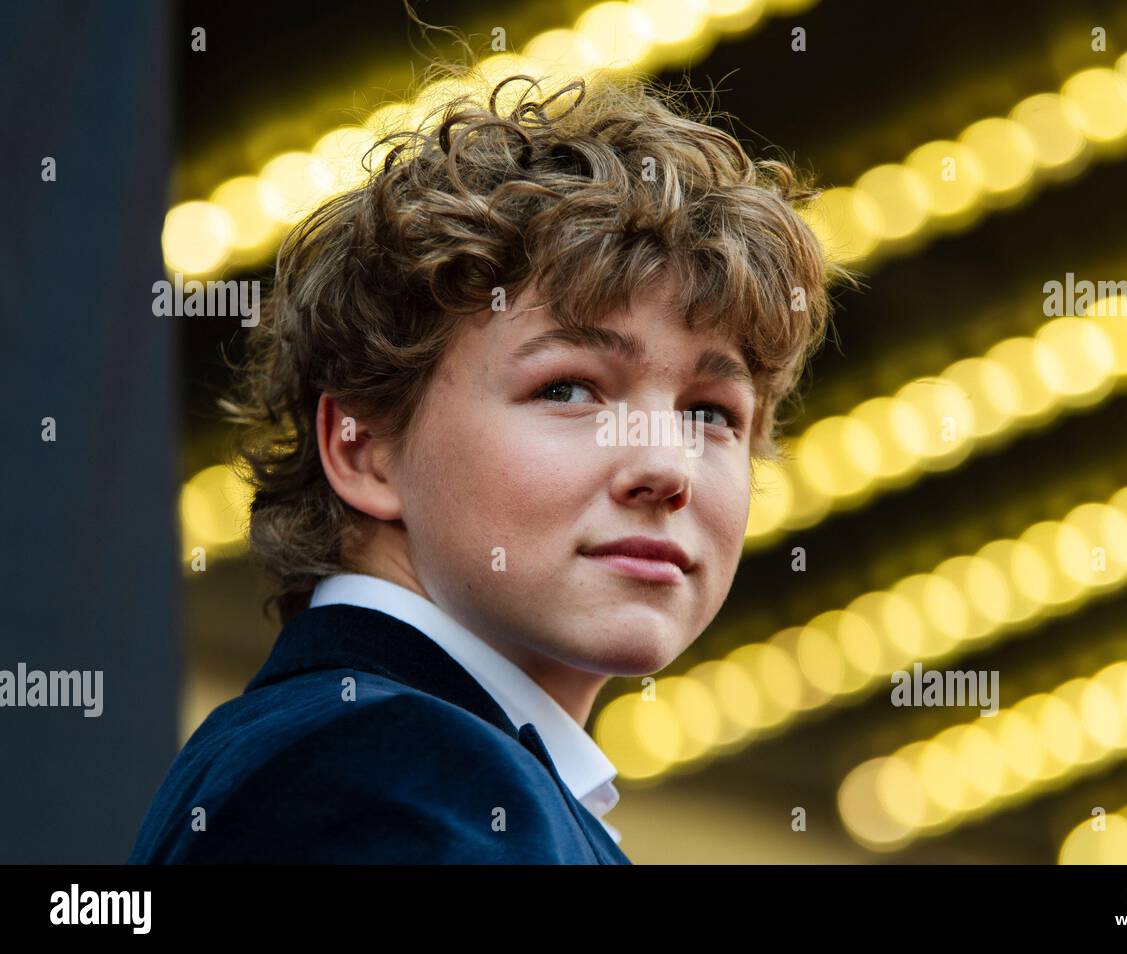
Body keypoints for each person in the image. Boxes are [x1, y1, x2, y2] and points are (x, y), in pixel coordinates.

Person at [129, 64, 843, 863]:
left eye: (711, 413)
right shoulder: (388, 770)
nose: (666, 467)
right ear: (362, 449)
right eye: (570, 389)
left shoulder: (391, 757)